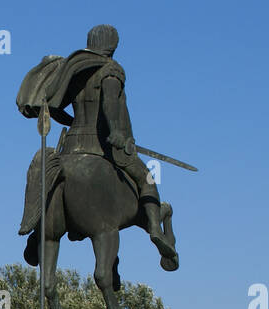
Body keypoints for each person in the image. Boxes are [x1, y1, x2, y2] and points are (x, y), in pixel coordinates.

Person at [17, 23, 178, 270]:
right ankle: (156, 228)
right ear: (112, 45)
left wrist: (73, 123)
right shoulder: (111, 71)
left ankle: (37, 235)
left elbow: (55, 107)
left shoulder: (74, 71)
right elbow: (109, 104)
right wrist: (114, 131)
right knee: (147, 178)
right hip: (104, 147)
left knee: (52, 187)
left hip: (70, 147)